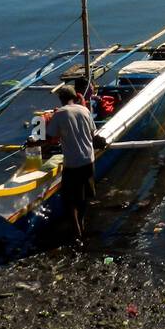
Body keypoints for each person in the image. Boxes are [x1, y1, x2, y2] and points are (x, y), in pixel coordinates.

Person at [44, 82, 97, 244]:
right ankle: (81, 223)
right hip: (88, 160)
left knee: (70, 200)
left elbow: (50, 138)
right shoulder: (85, 110)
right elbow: (92, 133)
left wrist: (33, 143)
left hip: (72, 164)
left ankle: (76, 233)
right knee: (83, 197)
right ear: (75, 97)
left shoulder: (59, 114)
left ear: (61, 99)